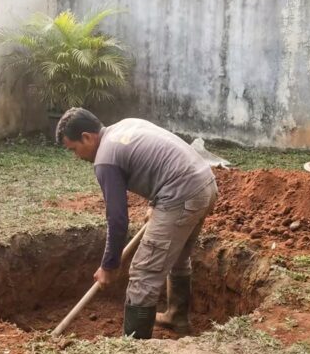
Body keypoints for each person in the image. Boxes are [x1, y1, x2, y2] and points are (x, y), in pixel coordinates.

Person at [55, 108, 218, 339]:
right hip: (205, 183)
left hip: (181, 193)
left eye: (74, 149)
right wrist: (154, 203)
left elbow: (117, 218)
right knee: (178, 257)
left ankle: (135, 345)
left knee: (143, 272)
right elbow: (160, 159)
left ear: (87, 137)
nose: (77, 156)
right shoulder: (126, 124)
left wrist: (109, 266)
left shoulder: (105, 159)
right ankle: (177, 317)